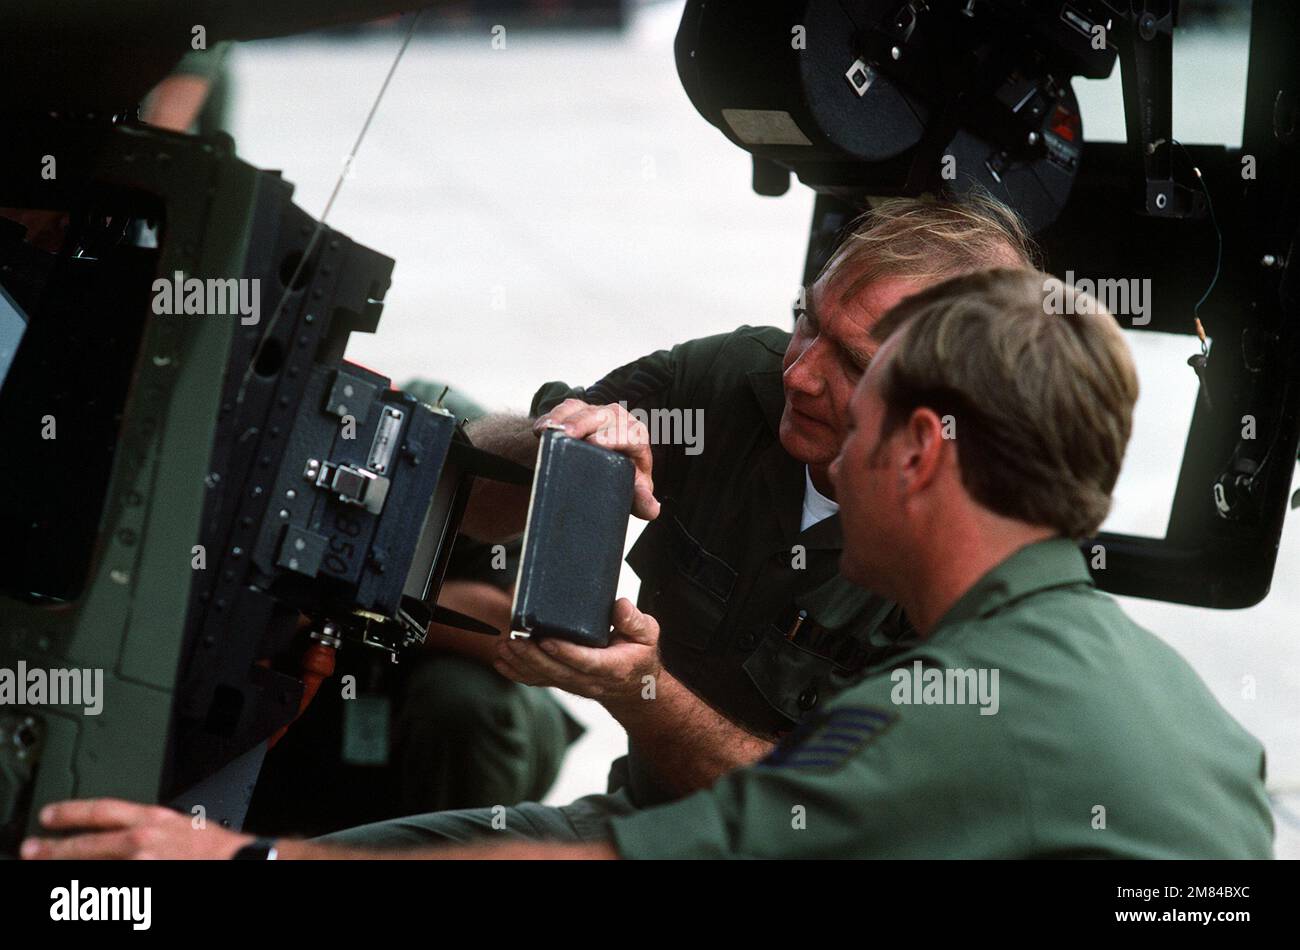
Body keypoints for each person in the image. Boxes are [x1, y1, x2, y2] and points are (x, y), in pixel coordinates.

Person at [26, 267, 1274, 859]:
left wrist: (243, 861)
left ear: (918, 450)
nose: (816, 420)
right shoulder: (1166, 700)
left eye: (860, 402)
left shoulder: (954, 713)